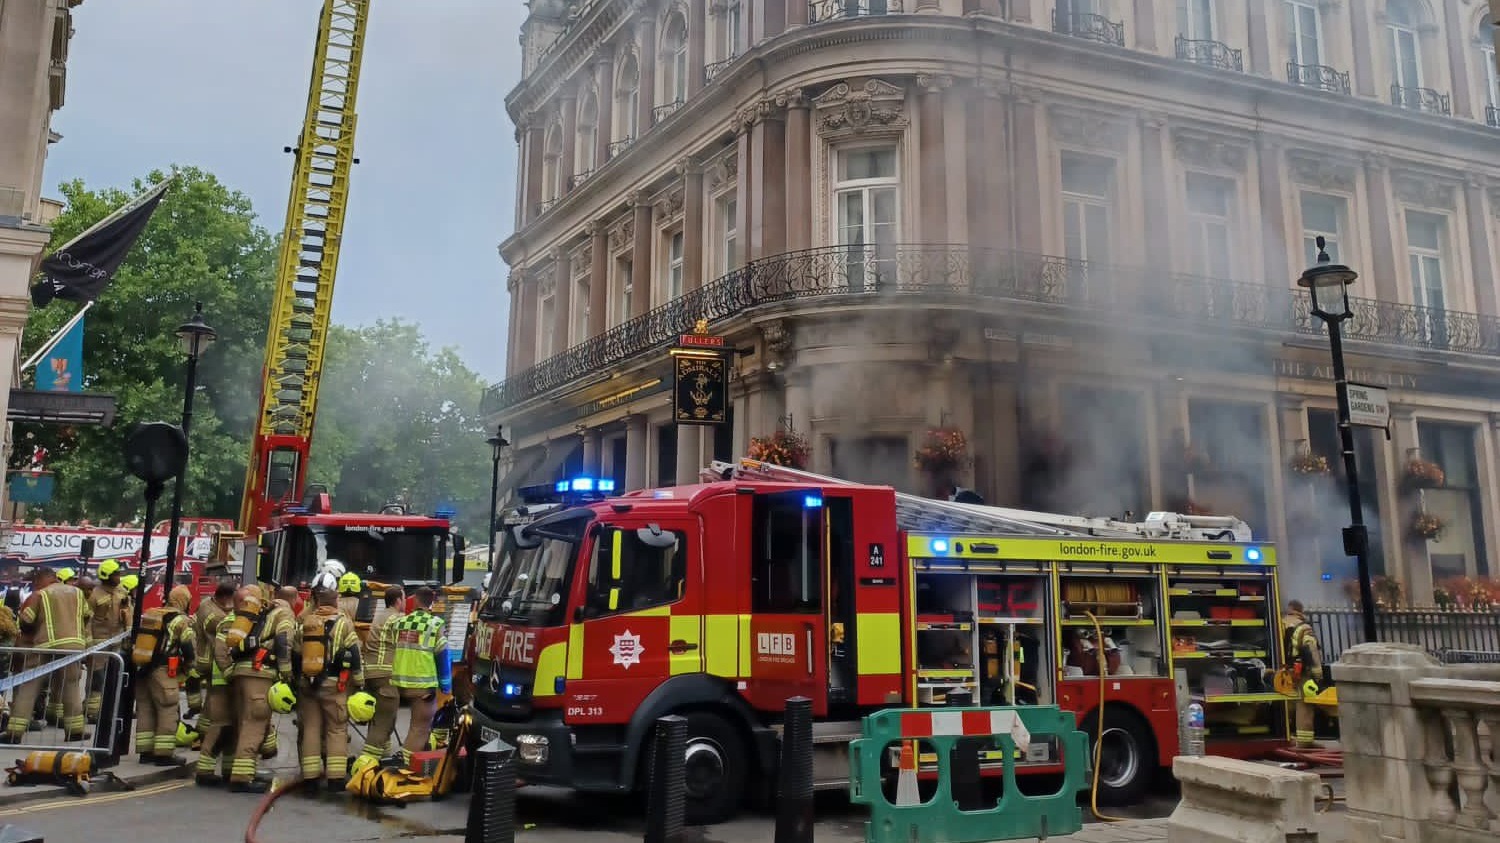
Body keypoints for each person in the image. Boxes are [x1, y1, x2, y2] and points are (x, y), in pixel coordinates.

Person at [4, 568, 91, 742]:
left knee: (29, 686)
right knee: (71, 686)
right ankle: (74, 731)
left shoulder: (40, 595)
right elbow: (87, 615)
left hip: (45, 645)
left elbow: (27, 620)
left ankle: (14, 733)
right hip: (73, 645)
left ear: (41, 579)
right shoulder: (78, 593)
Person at [294, 578, 362, 790]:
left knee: (312, 728)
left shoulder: (306, 622)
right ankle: (335, 777)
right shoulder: (343, 623)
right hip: (334, 683)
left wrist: (297, 680)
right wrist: (359, 683)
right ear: (336, 602)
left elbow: (296, 653)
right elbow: (354, 653)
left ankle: (311, 777)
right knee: (336, 728)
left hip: (307, 683)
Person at [222, 586, 289, 793]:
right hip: (260, 673)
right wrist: (287, 673)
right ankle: (242, 778)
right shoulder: (281, 614)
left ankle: (242, 771)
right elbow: (283, 641)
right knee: (255, 725)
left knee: (245, 722)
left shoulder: (250, 615)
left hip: (240, 672)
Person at [390, 586, 451, 768]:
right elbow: (443, 655)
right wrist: (445, 685)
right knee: (420, 728)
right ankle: (408, 768)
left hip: (400, 682)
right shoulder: (435, 624)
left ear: (415, 600)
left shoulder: (400, 623)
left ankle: (417, 764)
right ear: (432, 602)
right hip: (422, 685)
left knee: (414, 726)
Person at [132, 585, 194, 765]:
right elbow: (188, 647)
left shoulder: (152, 613)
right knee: (168, 710)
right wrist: (190, 666)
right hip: (164, 670)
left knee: (145, 709)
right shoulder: (181, 620)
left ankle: (145, 752)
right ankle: (164, 754)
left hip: (143, 668)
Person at [194, 582, 238, 786]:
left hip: (213, 667)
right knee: (220, 722)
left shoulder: (206, 604)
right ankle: (205, 770)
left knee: (220, 720)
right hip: (213, 665)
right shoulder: (218, 617)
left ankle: (226, 768)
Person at [358, 586, 405, 762]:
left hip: (371, 673)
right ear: (398, 600)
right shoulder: (397, 618)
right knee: (384, 720)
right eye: (404, 598)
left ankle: (383, 758)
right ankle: (366, 765)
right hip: (386, 675)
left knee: (380, 719)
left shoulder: (380, 615)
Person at [84, 560, 128, 724]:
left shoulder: (121, 592)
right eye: (116, 574)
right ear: (106, 576)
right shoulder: (94, 595)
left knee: (115, 678)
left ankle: (110, 708)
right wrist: (88, 643)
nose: (119, 577)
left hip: (117, 642)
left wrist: (128, 636)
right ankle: (92, 711)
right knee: (97, 678)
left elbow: (127, 615)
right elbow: (87, 620)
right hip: (98, 643)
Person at [1283, 600, 1325, 749]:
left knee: (1285, 704)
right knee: (1305, 704)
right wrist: (1318, 676)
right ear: (1301, 611)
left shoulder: (1280, 623)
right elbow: (1310, 650)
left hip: (1282, 673)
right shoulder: (1304, 628)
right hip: (1301, 672)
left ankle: (1285, 737)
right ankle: (1305, 741)